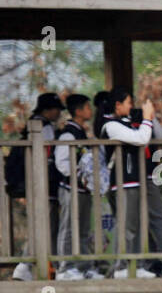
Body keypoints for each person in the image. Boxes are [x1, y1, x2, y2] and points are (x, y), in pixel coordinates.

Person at [97, 87, 162, 279]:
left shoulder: (126, 123)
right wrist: (147, 118)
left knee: (137, 225)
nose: (132, 107)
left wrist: (149, 118)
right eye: (129, 103)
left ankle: (137, 264)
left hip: (136, 181)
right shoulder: (110, 125)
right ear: (118, 105)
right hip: (123, 182)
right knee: (127, 226)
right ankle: (121, 267)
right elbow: (141, 139)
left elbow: (150, 136)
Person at [6, 93, 63, 280]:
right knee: (44, 225)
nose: (58, 113)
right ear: (47, 109)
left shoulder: (30, 126)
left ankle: (33, 267)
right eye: (56, 109)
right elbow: (48, 156)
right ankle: (25, 266)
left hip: (35, 185)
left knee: (43, 225)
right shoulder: (43, 127)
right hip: (43, 185)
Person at [53, 94, 107, 280]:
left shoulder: (82, 132)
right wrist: (80, 175)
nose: (90, 111)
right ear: (78, 111)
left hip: (82, 189)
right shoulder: (68, 133)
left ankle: (83, 267)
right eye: (86, 107)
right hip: (70, 189)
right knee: (68, 227)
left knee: (83, 229)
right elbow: (62, 162)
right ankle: (65, 267)